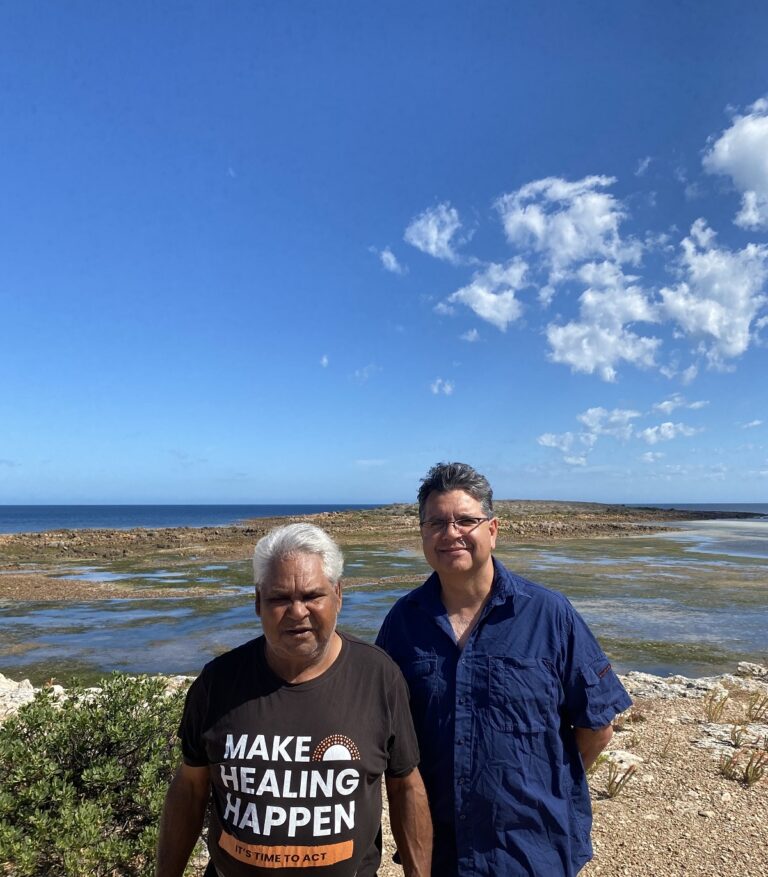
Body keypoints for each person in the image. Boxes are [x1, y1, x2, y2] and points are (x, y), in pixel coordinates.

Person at [376, 462, 631, 877]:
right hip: (439, 854)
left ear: (492, 530)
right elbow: (387, 738)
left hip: (533, 851)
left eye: (465, 520)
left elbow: (596, 727)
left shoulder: (549, 614)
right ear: (422, 533)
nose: (451, 532)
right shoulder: (402, 623)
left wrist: (541, 784)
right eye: (436, 522)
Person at [157, 522, 432, 877]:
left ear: (338, 595)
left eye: (312, 596)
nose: (297, 612)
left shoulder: (378, 676)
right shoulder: (218, 682)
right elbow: (190, 788)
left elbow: (406, 786)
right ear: (258, 602)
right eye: (279, 598)